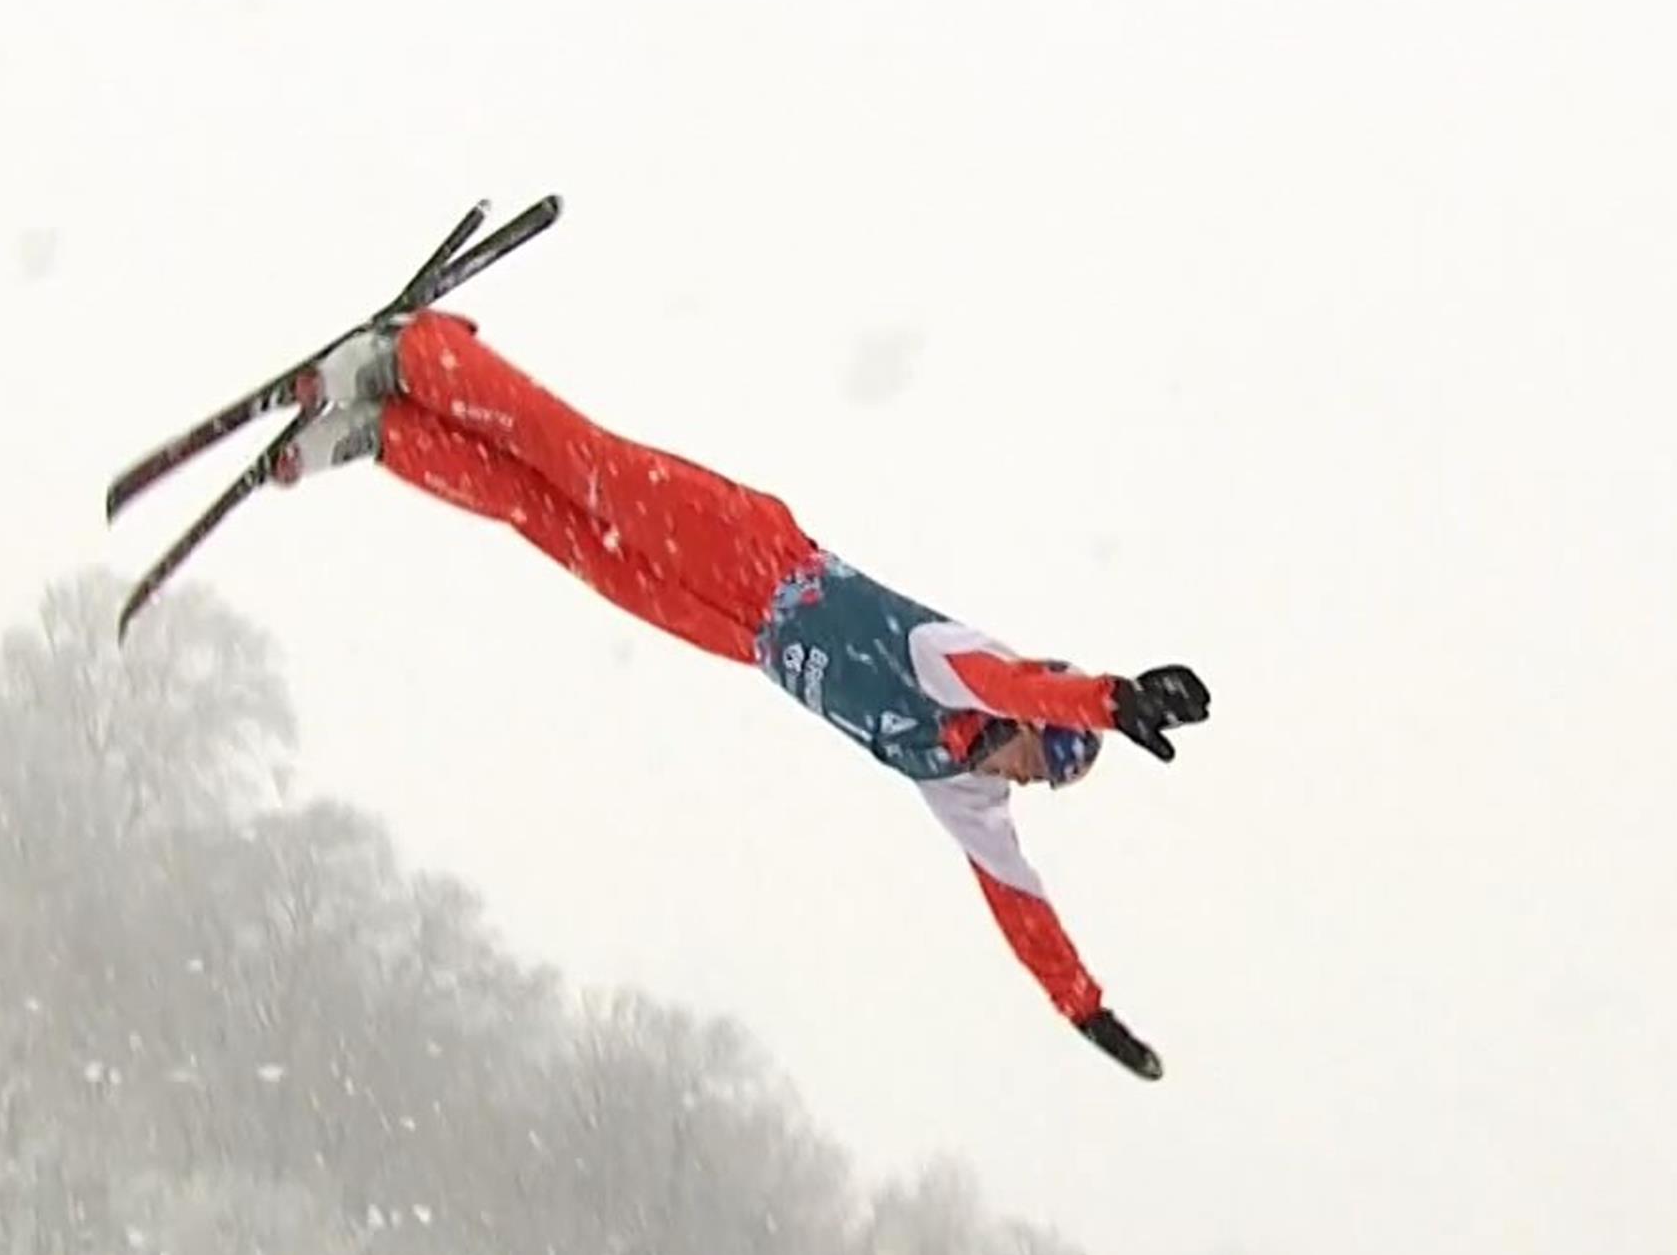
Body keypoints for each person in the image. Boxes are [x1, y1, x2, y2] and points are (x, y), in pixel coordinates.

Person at [270, 309, 1212, 1080]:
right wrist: (1112, 701)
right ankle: (417, 355)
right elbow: (1019, 685)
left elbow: (1020, 901)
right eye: (1041, 757)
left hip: (735, 630)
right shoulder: (956, 662)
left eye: (1047, 778)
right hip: (753, 554)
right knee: (581, 461)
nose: (1027, 778)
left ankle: (389, 432)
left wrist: (1085, 1010)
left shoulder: (958, 783)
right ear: (1033, 720)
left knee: (549, 520)